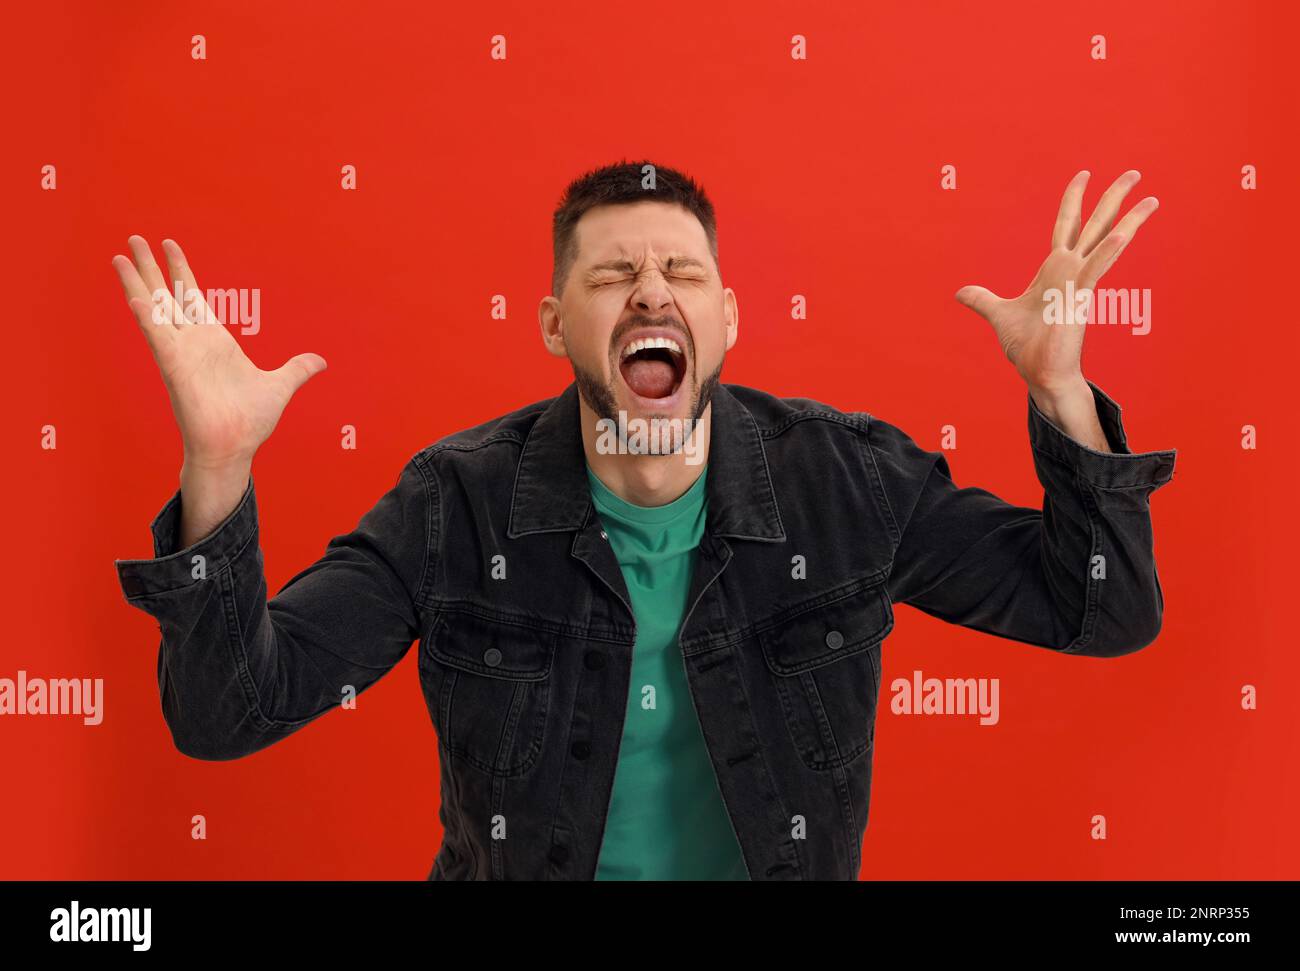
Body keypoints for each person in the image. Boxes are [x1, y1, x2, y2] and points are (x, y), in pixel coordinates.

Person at [112, 159, 1175, 880]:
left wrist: (1060, 395)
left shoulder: (845, 481)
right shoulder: (455, 503)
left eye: (682, 273)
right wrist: (217, 466)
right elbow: (226, 715)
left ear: (727, 318)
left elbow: (1104, 612)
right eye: (613, 273)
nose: (651, 293)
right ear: (553, 320)